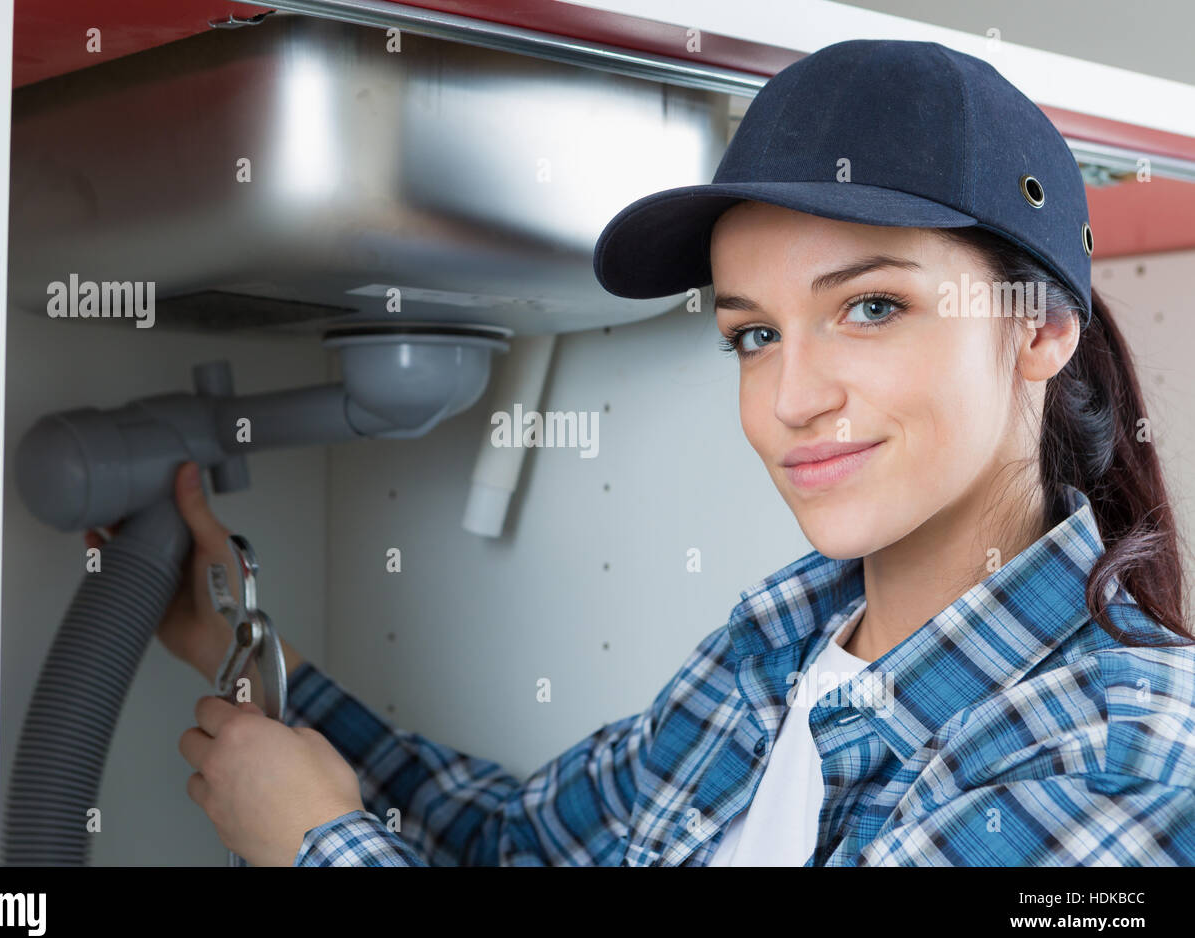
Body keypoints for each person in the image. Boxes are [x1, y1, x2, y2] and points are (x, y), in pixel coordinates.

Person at [94, 38, 1195, 866]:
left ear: (1040, 328)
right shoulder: (781, 644)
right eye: (752, 334)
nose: (791, 398)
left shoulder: (1124, 759)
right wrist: (242, 645)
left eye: (870, 307)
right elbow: (519, 841)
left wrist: (318, 844)